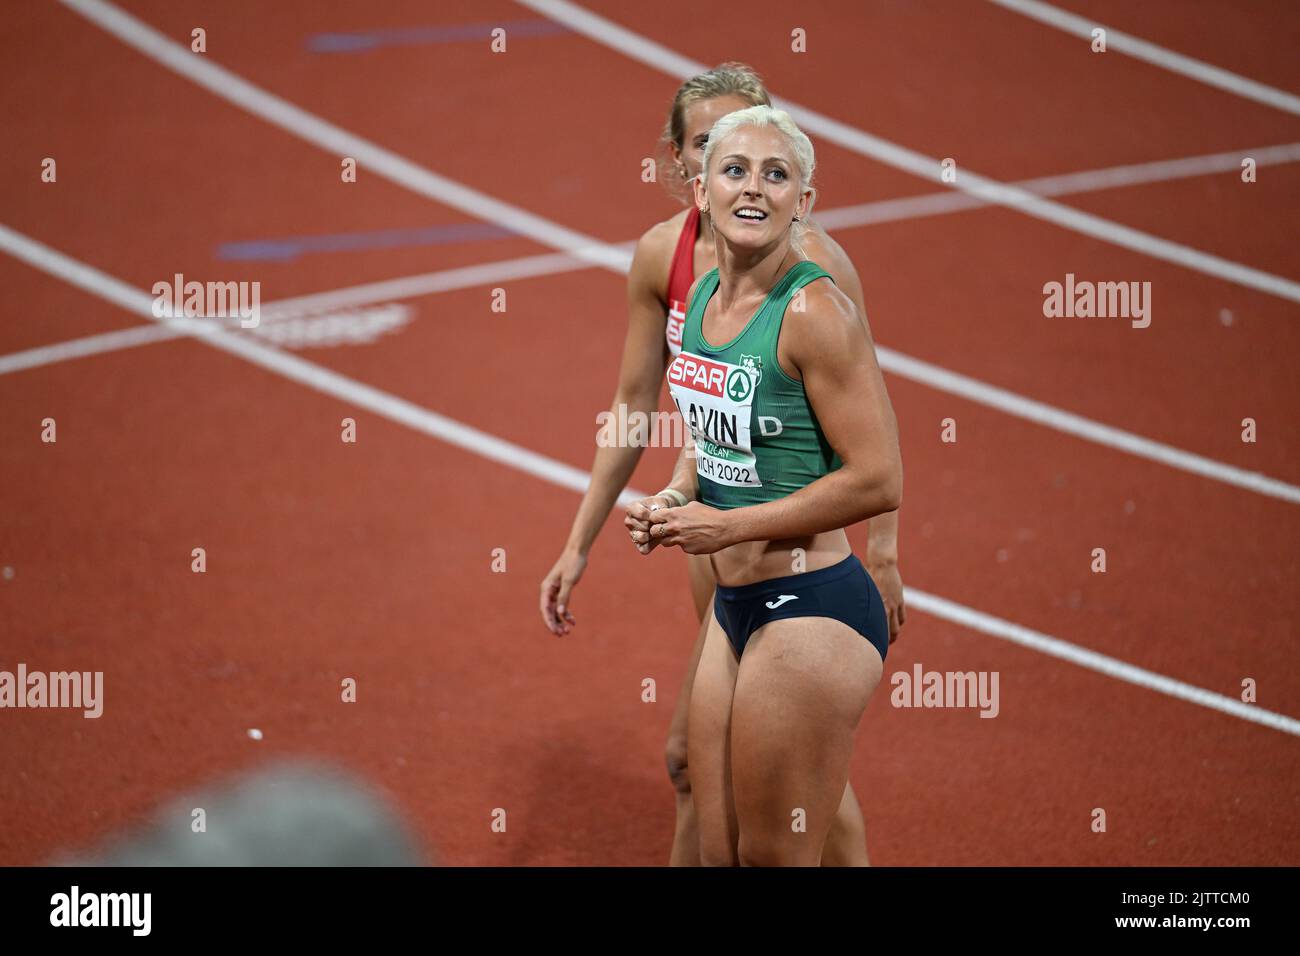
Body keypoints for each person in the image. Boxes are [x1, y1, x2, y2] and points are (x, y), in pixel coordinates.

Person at [540, 64, 905, 866]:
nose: (750, 181)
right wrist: (670, 497)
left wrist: (883, 551)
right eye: (728, 161)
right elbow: (706, 431)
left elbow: (876, 467)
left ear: (801, 197)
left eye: (775, 170)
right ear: (693, 180)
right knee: (721, 839)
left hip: (809, 597)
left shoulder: (814, 302)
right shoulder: (700, 299)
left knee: (779, 850)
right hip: (730, 600)